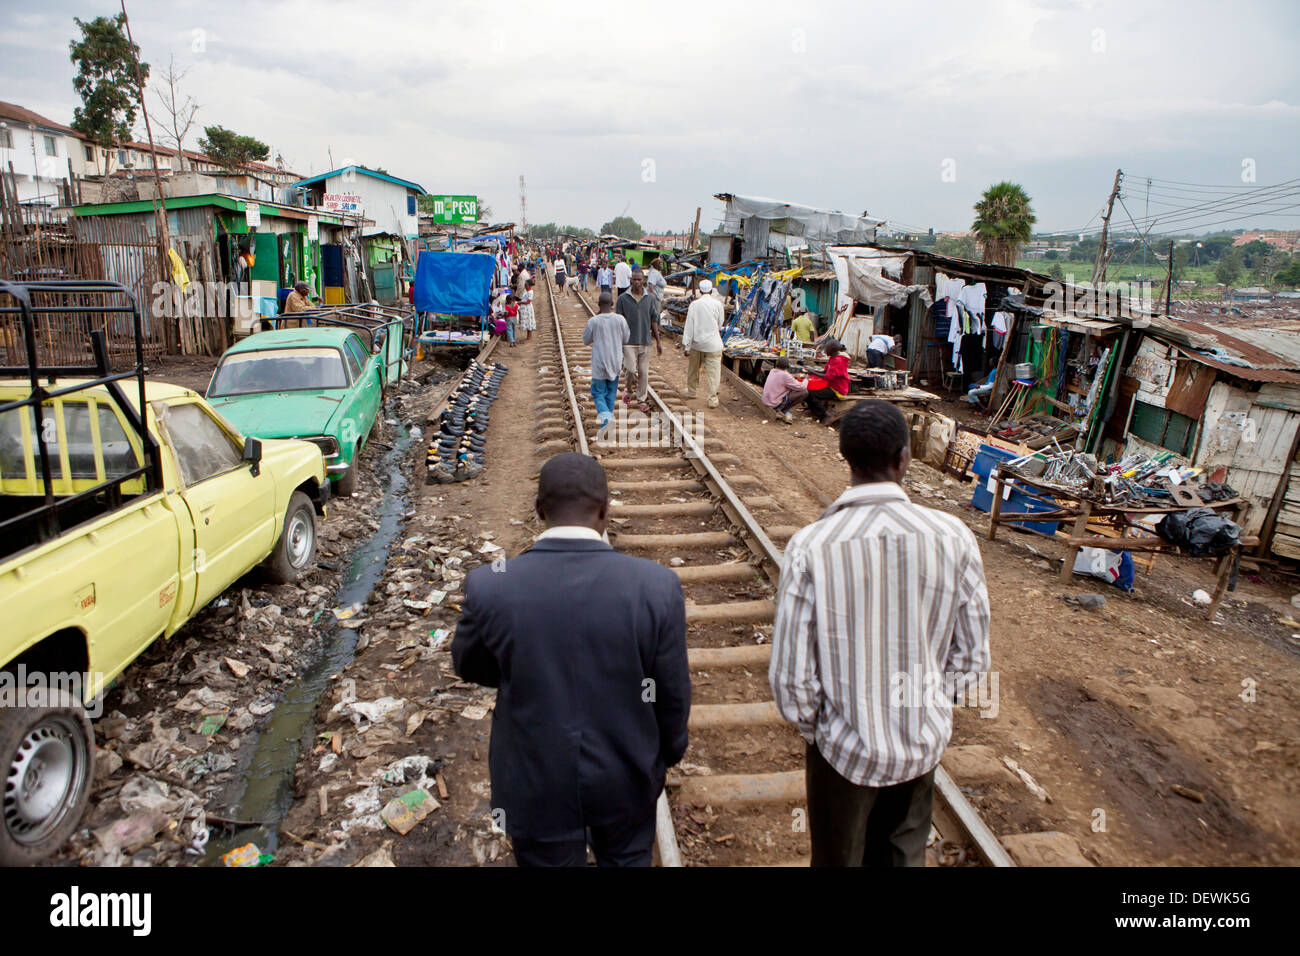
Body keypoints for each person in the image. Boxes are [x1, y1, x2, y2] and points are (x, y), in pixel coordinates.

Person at [770, 400, 990, 867]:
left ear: (844, 455)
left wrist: (823, 729)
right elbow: (971, 660)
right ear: (904, 457)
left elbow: (792, 680)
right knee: (901, 857)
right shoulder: (954, 537)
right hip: (920, 747)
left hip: (842, 754)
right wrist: (927, 703)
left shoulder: (811, 547)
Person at [452, 453, 691, 867]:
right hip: (626, 777)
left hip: (533, 779)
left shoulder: (490, 585)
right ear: (604, 510)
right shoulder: (656, 586)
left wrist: (525, 670)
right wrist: (663, 755)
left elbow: (470, 665)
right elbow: (671, 694)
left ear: (539, 510)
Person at [583, 291, 631, 442]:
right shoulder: (620, 319)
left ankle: (606, 419)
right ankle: (606, 423)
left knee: (597, 394)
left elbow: (586, 340)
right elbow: (626, 338)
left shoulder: (593, 321)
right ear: (612, 304)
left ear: (598, 305)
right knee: (610, 393)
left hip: (599, 364)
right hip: (615, 362)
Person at [616, 269, 662, 413]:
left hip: (645, 342)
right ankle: (629, 391)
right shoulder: (623, 299)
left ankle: (641, 400)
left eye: (639, 280)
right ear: (630, 280)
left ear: (643, 280)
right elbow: (618, 322)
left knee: (643, 372)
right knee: (630, 370)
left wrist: (658, 341)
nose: (636, 282)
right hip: (628, 342)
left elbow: (654, 320)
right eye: (634, 280)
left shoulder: (649, 299)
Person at [681, 278, 725, 408]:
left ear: (700, 291)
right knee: (714, 373)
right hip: (714, 344)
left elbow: (689, 326)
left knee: (693, 369)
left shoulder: (694, 305)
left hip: (697, 343)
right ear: (711, 291)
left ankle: (692, 391)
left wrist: (686, 345)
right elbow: (720, 323)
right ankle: (712, 399)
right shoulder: (718, 305)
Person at [803, 338, 851, 425]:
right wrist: (812, 371)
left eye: (826, 348)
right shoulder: (832, 358)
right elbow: (825, 372)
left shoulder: (838, 361)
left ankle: (826, 415)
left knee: (810, 394)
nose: (825, 350)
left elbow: (828, 377)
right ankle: (818, 413)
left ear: (832, 350)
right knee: (806, 392)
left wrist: (812, 372)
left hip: (837, 389)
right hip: (830, 385)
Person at [762, 356, 808, 424]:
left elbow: (785, 376)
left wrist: (795, 376)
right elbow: (801, 387)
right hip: (774, 404)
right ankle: (783, 410)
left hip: (766, 401)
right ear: (787, 366)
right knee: (804, 392)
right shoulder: (785, 376)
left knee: (791, 388)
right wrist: (806, 379)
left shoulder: (773, 371)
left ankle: (782, 409)